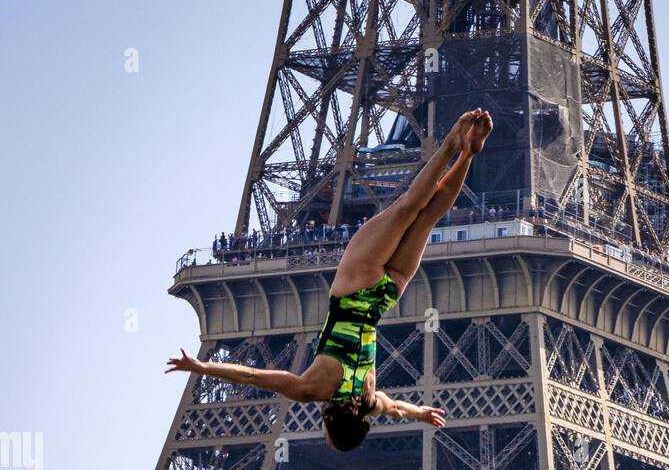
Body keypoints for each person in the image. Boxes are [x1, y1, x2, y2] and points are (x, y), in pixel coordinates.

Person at [166, 109, 493, 452]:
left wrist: (422, 414)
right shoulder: (313, 390)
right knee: (407, 208)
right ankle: (450, 146)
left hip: (385, 296)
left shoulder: (369, 400)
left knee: (427, 219)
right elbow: (253, 376)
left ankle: (468, 154)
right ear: (331, 428)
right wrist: (202, 367)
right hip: (355, 286)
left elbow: (397, 408)